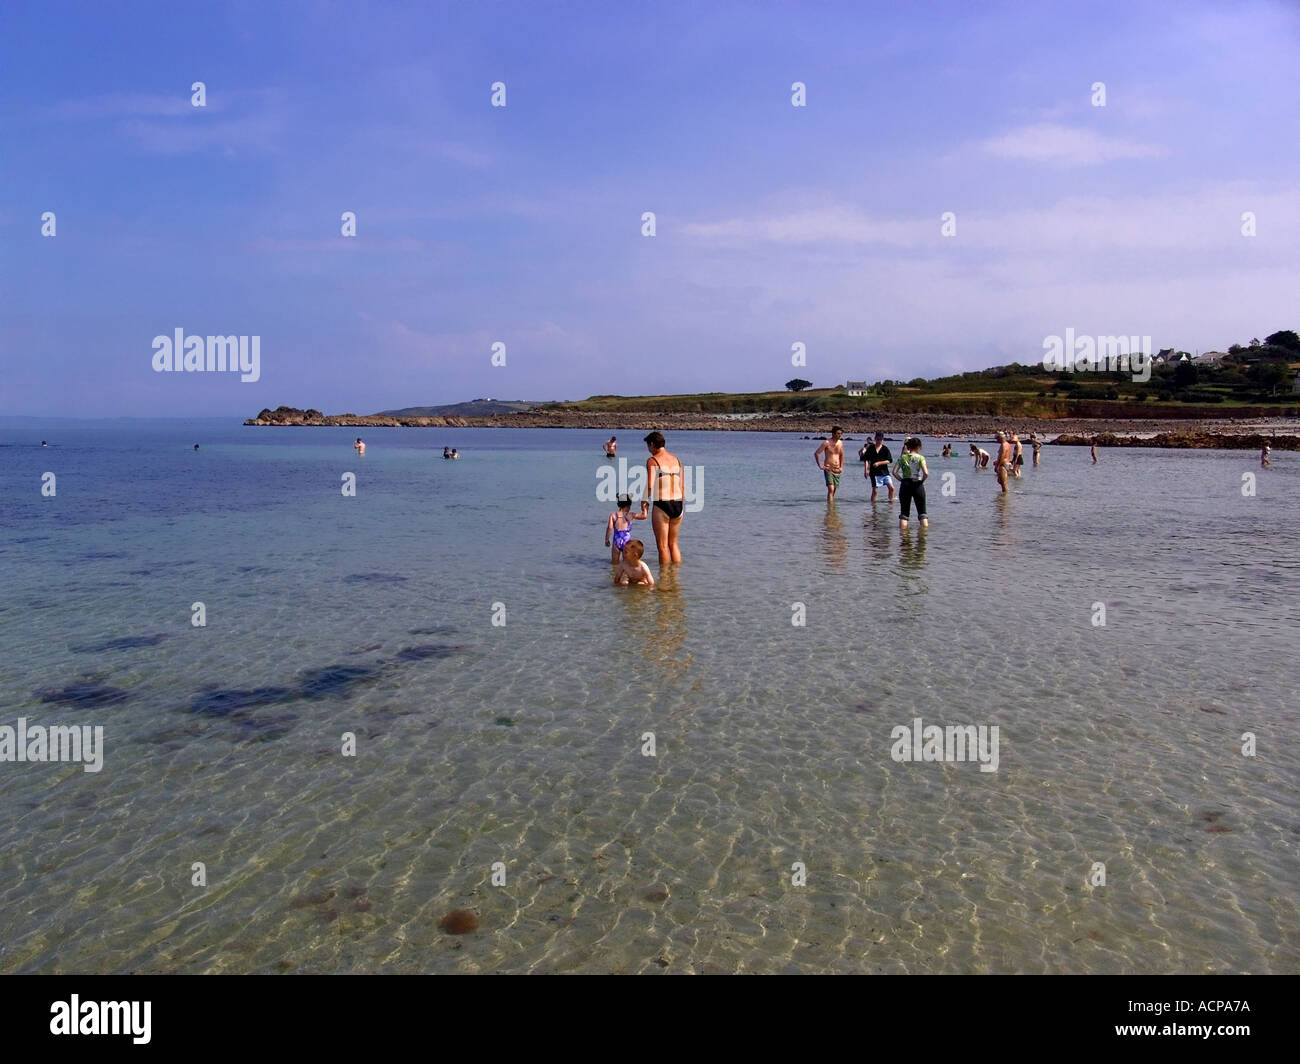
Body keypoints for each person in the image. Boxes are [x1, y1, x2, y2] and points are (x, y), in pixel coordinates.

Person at [644, 431, 684, 564]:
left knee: (662, 547)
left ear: (652, 444)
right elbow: (682, 485)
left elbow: (650, 485)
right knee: (673, 544)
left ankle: (665, 581)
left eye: (648, 446)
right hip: (678, 504)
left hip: (662, 504)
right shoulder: (677, 460)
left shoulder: (653, 461)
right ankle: (676, 579)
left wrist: (644, 500)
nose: (649, 450)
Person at [892, 437, 929, 530]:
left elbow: (894, 472)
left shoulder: (903, 457)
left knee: (904, 513)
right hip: (917, 484)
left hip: (905, 484)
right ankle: (924, 536)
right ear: (918, 447)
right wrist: (922, 481)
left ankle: (904, 538)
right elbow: (926, 473)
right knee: (922, 513)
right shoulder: (920, 458)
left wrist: (902, 480)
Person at [605, 494, 647, 562]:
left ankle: (615, 572)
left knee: (614, 563)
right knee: (627, 564)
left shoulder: (613, 515)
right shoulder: (631, 515)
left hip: (616, 541)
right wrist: (644, 507)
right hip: (627, 542)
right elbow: (644, 516)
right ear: (628, 506)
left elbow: (609, 528)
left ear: (619, 504)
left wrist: (606, 540)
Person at [861, 431, 894, 502]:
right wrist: (866, 470)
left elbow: (889, 460)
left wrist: (879, 463)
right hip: (874, 473)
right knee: (875, 491)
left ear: (883, 440)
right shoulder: (871, 448)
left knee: (891, 488)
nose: (879, 441)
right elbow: (866, 459)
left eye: (881, 439)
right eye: (878, 439)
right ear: (875, 439)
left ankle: (891, 503)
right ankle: (873, 506)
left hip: (885, 472)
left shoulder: (885, 449)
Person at [814, 426, 845, 501]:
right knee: (831, 489)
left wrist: (841, 467)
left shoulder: (840, 443)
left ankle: (831, 508)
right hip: (828, 468)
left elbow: (841, 455)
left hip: (837, 469)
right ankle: (830, 509)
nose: (840, 435)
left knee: (834, 490)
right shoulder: (826, 443)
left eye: (841, 434)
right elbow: (817, 453)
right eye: (838, 433)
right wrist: (820, 466)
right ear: (833, 434)